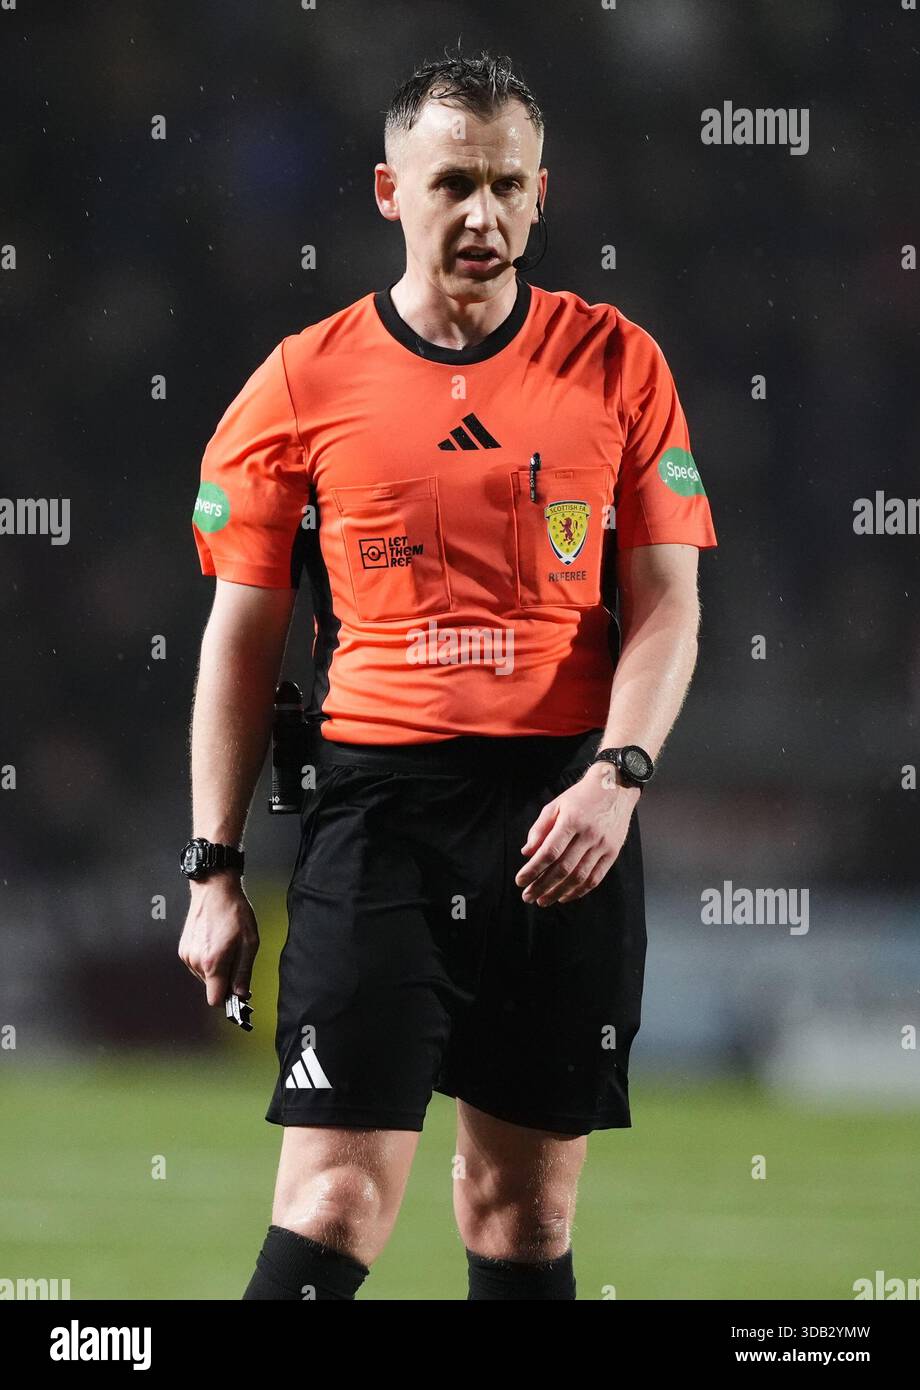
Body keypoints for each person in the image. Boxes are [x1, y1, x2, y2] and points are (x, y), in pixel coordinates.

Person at [179, 49, 717, 1302]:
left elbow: (670, 610)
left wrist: (615, 779)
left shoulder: (616, 363)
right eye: (451, 183)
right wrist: (211, 866)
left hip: (561, 817)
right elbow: (238, 641)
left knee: (518, 1217)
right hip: (378, 821)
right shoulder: (299, 382)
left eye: (506, 185)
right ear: (387, 191)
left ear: (542, 195)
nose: (480, 214)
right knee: (329, 1203)